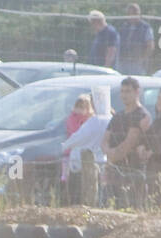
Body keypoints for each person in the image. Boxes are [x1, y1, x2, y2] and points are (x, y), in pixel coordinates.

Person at [102, 76, 151, 206]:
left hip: (132, 175)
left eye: (128, 91)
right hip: (113, 174)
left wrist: (111, 156)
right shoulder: (118, 116)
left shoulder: (142, 116)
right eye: (122, 91)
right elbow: (104, 140)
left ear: (137, 92)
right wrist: (109, 153)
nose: (124, 95)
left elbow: (128, 144)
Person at [60, 94, 110, 204]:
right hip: (102, 161)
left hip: (81, 164)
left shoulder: (94, 121)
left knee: (78, 195)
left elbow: (78, 137)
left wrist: (65, 146)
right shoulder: (110, 119)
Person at [119, 3, 154, 75]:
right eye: (129, 14)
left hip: (137, 65)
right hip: (123, 63)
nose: (132, 16)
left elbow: (150, 46)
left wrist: (142, 59)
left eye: (134, 13)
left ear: (139, 14)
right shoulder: (124, 26)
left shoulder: (145, 27)